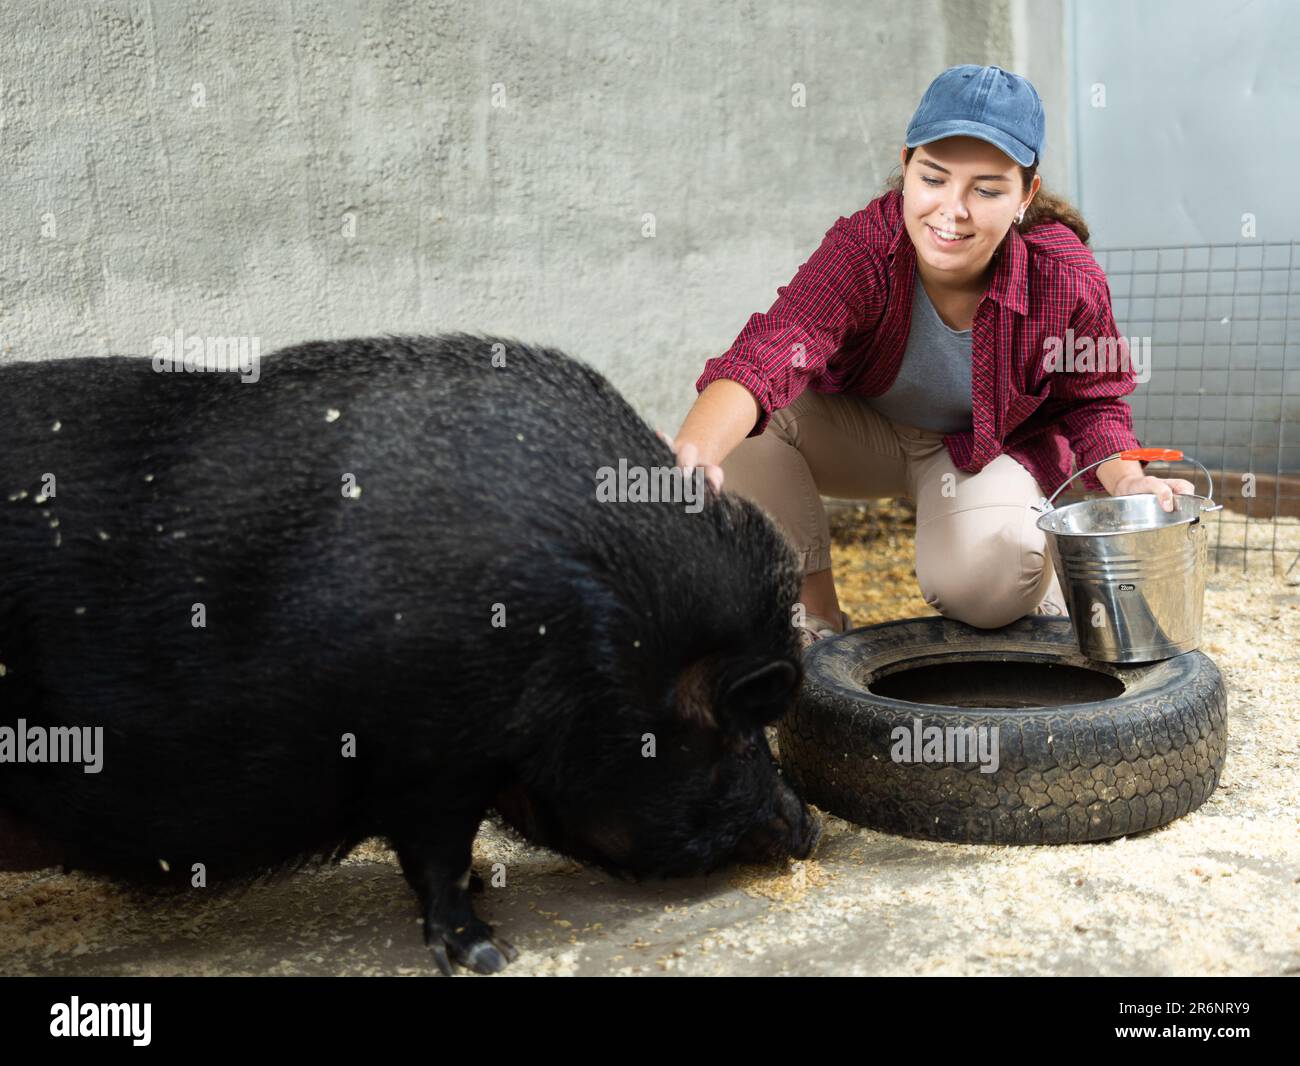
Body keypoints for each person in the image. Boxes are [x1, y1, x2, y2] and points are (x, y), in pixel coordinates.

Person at [663, 64, 1194, 648]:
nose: (952, 209)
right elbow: (773, 347)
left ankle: (1032, 569)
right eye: (934, 178)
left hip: (980, 456)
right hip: (863, 438)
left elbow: (1095, 401)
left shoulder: (1063, 276)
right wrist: (694, 456)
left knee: (989, 588)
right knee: (751, 423)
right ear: (907, 168)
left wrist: (1126, 480)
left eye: (987, 189)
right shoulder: (867, 245)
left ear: (1026, 195)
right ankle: (816, 623)